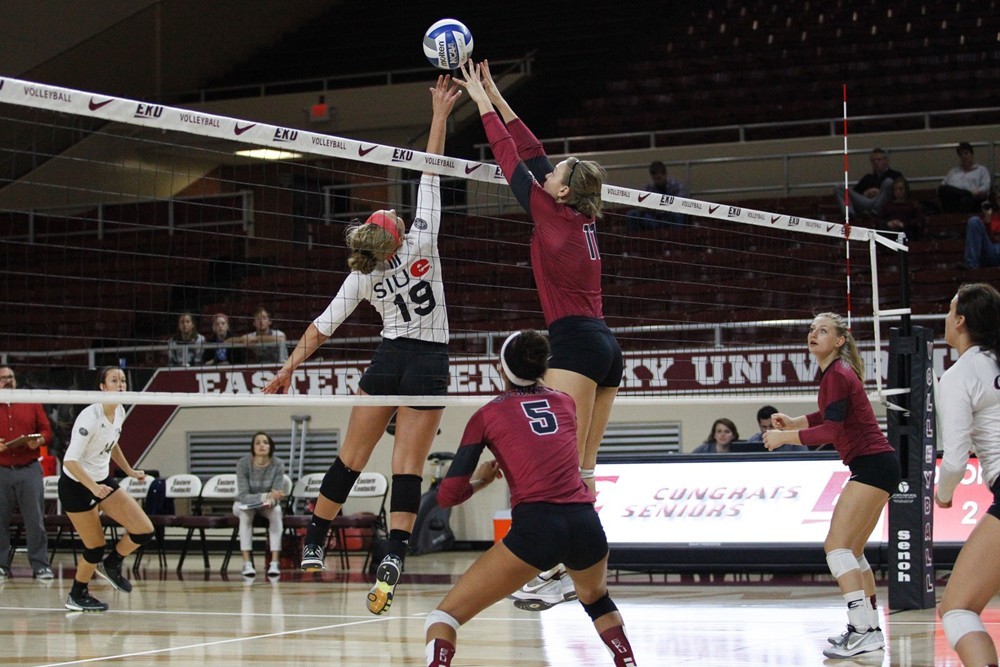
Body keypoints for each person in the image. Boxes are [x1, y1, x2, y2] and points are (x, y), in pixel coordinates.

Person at [263, 75, 461, 616]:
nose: (397, 214)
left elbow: (320, 328)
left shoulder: (363, 274)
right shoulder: (422, 238)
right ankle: (394, 556)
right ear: (396, 235)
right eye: (393, 216)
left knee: (349, 460)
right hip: (429, 360)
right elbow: (431, 168)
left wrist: (286, 371)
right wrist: (440, 113)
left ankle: (312, 540)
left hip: (388, 358)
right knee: (406, 470)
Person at [456, 60, 623, 610]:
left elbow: (511, 158)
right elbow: (532, 151)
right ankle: (575, 569)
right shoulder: (579, 216)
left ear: (564, 189)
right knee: (581, 469)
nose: (547, 169)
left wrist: (480, 102)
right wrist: (496, 95)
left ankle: (555, 570)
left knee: (557, 473)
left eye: (557, 171)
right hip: (605, 348)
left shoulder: (551, 215)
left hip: (574, 345)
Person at [424, 330, 637, 667]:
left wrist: (480, 482)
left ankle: (543, 581)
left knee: (443, 618)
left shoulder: (486, 415)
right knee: (597, 602)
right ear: (542, 366)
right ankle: (629, 661)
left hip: (536, 528)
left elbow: (448, 495)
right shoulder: (565, 402)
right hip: (585, 523)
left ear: (500, 369)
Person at [763, 313, 900, 659]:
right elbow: (832, 416)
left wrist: (784, 437)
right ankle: (869, 629)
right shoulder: (834, 373)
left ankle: (861, 630)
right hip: (879, 465)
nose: (813, 333)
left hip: (871, 465)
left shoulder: (837, 373)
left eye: (822, 330)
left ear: (839, 340)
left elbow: (831, 432)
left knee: (836, 548)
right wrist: (797, 421)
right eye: (811, 328)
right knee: (852, 552)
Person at [934, 283, 1000, 667]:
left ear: (960, 321)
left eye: (949, 309)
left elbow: (956, 461)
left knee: (957, 608)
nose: (945, 317)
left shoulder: (960, 374)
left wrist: (944, 495)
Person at [59, 367, 154, 612]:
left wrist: (130, 471)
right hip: (77, 485)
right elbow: (69, 460)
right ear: (102, 387)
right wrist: (93, 488)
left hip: (101, 481)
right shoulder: (90, 417)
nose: (120, 384)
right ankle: (77, 594)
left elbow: (112, 444)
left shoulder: (119, 411)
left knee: (144, 530)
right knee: (95, 546)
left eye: (123, 380)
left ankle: (111, 565)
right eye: (114, 380)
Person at [0, 366, 55, 580]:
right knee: (0, 520)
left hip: (29, 468)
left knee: (35, 520)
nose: (8, 381)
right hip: (2, 469)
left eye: (10, 377)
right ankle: (1, 565)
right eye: (3, 378)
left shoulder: (30, 400)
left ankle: (40, 565)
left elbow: (46, 431)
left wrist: (38, 440)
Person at [233, 431, 286, 578]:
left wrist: (271, 500)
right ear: (252, 448)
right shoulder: (243, 464)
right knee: (245, 515)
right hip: (244, 504)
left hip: (266, 505)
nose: (262, 445)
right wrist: (265, 496)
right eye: (258, 442)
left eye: (265, 442)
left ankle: (274, 562)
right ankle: (247, 563)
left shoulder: (278, 464)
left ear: (271, 447)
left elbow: (277, 493)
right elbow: (243, 496)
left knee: (276, 512)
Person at [835, 148, 902, 218]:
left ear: (886, 161)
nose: (876, 162)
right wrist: (866, 193)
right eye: (873, 161)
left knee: (889, 182)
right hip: (866, 202)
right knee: (839, 187)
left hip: (884, 204)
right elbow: (855, 193)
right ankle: (849, 215)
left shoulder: (895, 175)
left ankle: (875, 212)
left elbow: (901, 192)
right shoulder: (867, 177)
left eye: (879, 160)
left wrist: (881, 192)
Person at [625, 160, 690, 230]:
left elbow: (679, 203)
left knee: (677, 214)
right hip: (655, 219)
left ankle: (676, 238)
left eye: (659, 178)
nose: (657, 181)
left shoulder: (677, 186)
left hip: (670, 218)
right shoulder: (649, 188)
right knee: (632, 214)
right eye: (654, 179)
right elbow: (641, 205)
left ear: (665, 175)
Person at [939, 142, 992, 214]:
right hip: (953, 201)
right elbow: (943, 187)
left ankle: (967, 195)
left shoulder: (981, 170)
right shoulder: (953, 171)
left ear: (972, 154)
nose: (963, 156)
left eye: (966, 153)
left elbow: (986, 186)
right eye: (961, 155)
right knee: (942, 189)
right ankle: (967, 193)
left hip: (972, 200)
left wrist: (977, 192)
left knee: (966, 200)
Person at [875, 176, 925, 241]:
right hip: (889, 231)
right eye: (895, 189)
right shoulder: (888, 205)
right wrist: (888, 224)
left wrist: (904, 224)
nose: (898, 192)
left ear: (906, 190)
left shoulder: (912, 205)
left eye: (901, 189)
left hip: (907, 232)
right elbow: (879, 220)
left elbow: (919, 219)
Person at [960, 196, 1000, 270]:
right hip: (991, 250)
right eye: (999, 198)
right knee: (974, 221)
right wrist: (987, 222)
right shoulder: (992, 216)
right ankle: (971, 264)